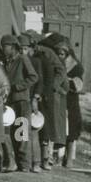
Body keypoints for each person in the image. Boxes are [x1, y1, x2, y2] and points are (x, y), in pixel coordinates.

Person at [1, 36, 37, 171]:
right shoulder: (6, 62)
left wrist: (18, 86)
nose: (3, 49)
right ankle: (13, 162)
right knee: (11, 132)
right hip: (10, 102)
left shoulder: (23, 59)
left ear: (12, 46)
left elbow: (33, 77)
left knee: (22, 133)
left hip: (22, 100)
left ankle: (25, 165)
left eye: (5, 46)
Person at [34, 33, 68, 168]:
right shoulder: (46, 52)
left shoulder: (46, 52)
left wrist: (52, 86)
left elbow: (60, 71)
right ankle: (42, 159)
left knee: (46, 124)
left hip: (46, 93)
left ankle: (45, 158)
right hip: (40, 92)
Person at [62, 45, 85, 168]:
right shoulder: (57, 64)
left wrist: (66, 80)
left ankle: (69, 158)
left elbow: (78, 85)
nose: (60, 56)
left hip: (70, 100)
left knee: (72, 129)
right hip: (60, 99)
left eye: (62, 54)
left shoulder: (76, 67)